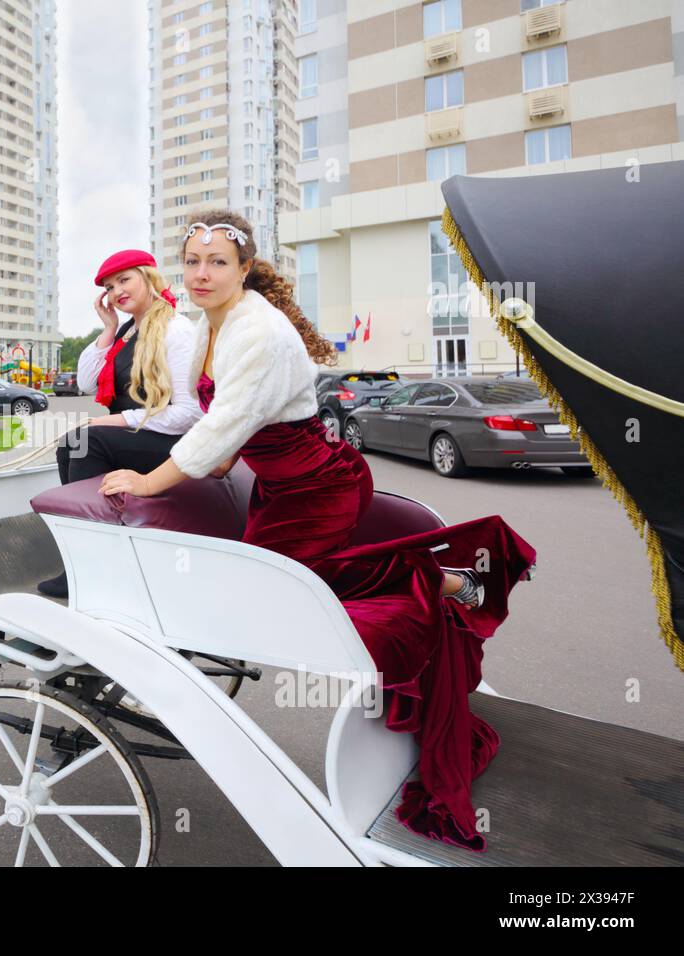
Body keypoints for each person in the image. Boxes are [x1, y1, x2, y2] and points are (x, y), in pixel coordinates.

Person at [99, 209, 537, 852]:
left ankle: (445, 579)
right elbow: (221, 420)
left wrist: (148, 483)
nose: (201, 273)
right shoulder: (208, 324)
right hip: (285, 484)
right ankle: (439, 578)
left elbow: (225, 426)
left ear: (245, 269)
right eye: (192, 261)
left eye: (217, 262)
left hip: (319, 485)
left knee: (291, 591)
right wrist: (213, 461)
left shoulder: (258, 330)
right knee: (281, 583)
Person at [38, 249, 201, 597]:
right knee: (73, 444)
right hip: (141, 434)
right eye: (110, 287)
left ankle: (89, 564)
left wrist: (118, 419)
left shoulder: (177, 329)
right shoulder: (127, 331)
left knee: (90, 440)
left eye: (124, 280)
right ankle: (82, 556)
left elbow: (191, 413)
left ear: (148, 277)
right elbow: (85, 382)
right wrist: (108, 328)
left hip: (175, 442)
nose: (116, 292)